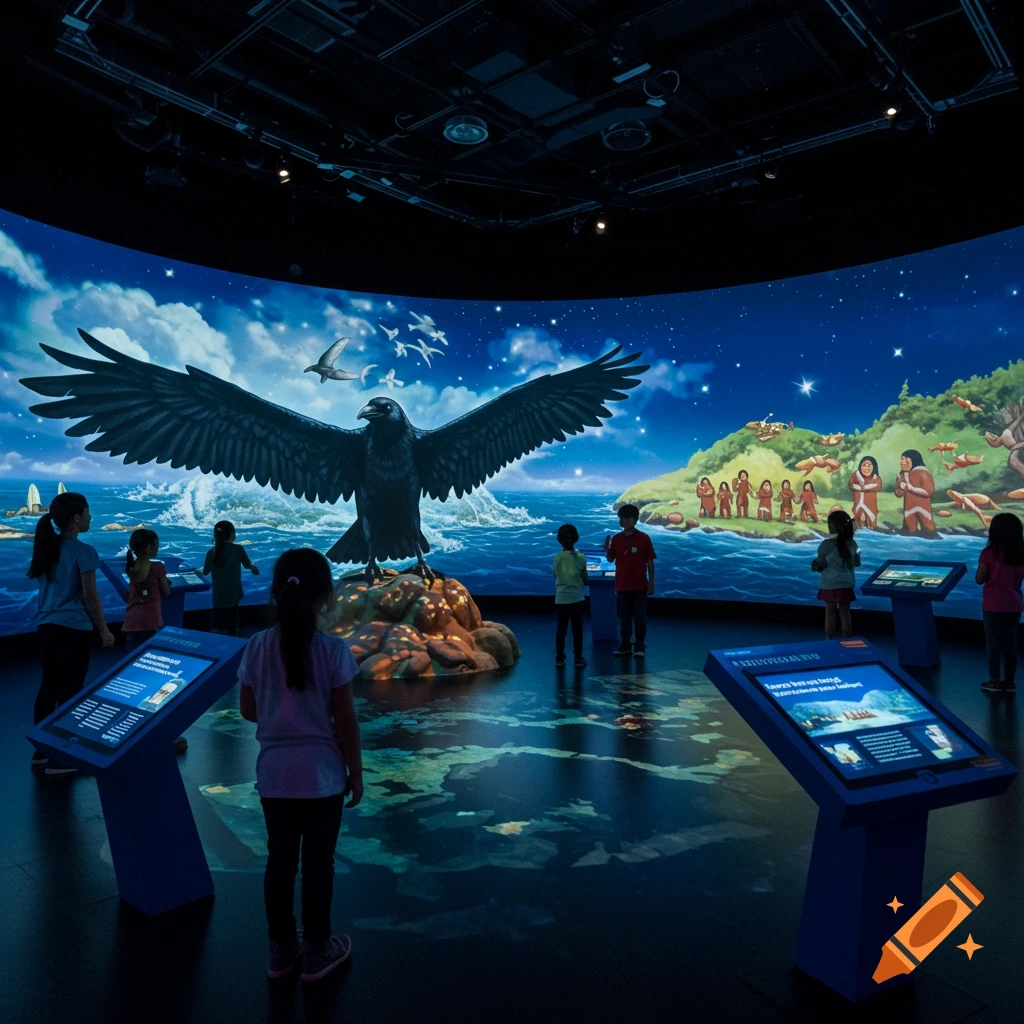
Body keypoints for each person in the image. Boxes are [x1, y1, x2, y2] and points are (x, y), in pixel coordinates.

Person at [238, 548, 363, 982]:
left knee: (280, 863)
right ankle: (316, 950)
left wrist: (280, 715)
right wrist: (357, 773)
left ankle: (280, 950)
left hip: (274, 777)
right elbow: (345, 721)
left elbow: (248, 710)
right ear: (326, 597)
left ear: (276, 592)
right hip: (323, 777)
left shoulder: (256, 646)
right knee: (318, 865)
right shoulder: (333, 650)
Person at [27, 491, 114, 775]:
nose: (91, 518)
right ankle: (61, 759)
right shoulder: (84, 552)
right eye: (88, 513)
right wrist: (104, 630)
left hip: (46, 625)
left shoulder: (47, 549)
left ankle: (42, 751)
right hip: (74, 629)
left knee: (48, 685)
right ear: (77, 518)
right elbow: (90, 596)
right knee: (71, 692)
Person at [975, 512, 1024, 694]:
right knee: (1011, 644)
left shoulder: (988, 554)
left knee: (993, 644)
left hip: (993, 605)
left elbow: (979, 579)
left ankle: (994, 681)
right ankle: (1009, 681)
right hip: (1014, 605)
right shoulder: (1020, 554)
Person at [603, 504, 656, 658]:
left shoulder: (644, 538)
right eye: (622, 518)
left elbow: (650, 562)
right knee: (624, 617)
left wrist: (651, 583)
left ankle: (640, 645)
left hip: (640, 586)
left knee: (640, 617)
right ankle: (625, 645)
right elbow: (611, 558)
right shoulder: (617, 539)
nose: (625, 521)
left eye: (628, 518)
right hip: (622, 585)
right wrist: (607, 549)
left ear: (635, 520)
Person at [203, 520, 259, 635]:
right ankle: (233, 639)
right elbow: (248, 565)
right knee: (232, 619)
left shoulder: (211, 552)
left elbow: (205, 572)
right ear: (232, 534)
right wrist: (253, 568)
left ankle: (215, 639)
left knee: (217, 619)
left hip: (218, 595)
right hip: (234, 593)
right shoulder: (238, 549)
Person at [811, 509, 861, 640]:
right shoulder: (852, 544)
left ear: (832, 526)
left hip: (829, 584)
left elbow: (819, 563)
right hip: (846, 583)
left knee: (830, 614)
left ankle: (829, 641)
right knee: (845, 614)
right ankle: (848, 642)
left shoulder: (826, 545)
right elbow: (857, 563)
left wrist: (816, 566)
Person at [123, 529, 170, 651]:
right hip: (151, 620)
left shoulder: (130, 567)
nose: (158, 548)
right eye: (157, 545)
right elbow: (166, 592)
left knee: (131, 658)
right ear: (149, 547)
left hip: (132, 620)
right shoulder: (158, 567)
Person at [552, 524, 588, 668]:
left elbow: (555, 574)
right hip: (577, 599)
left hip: (561, 598)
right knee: (577, 631)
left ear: (559, 540)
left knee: (561, 630)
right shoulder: (580, 557)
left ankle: (559, 658)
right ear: (576, 538)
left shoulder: (557, 557)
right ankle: (578, 658)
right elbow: (585, 580)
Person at [894, 449, 936, 535]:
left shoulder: (923, 473)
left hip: (923, 507)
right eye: (902, 459)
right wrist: (900, 486)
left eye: (906, 460)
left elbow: (929, 491)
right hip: (909, 507)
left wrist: (912, 488)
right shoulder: (902, 474)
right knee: (909, 529)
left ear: (914, 460)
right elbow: (899, 493)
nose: (903, 462)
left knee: (928, 528)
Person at [849, 455, 882, 530]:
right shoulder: (855, 475)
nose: (866, 468)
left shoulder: (876, 478)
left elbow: (877, 486)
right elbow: (851, 485)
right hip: (858, 503)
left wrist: (864, 487)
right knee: (857, 517)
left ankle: (870, 528)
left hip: (870, 505)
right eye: (864, 465)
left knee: (871, 518)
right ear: (860, 466)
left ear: (874, 467)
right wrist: (860, 487)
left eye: (869, 466)